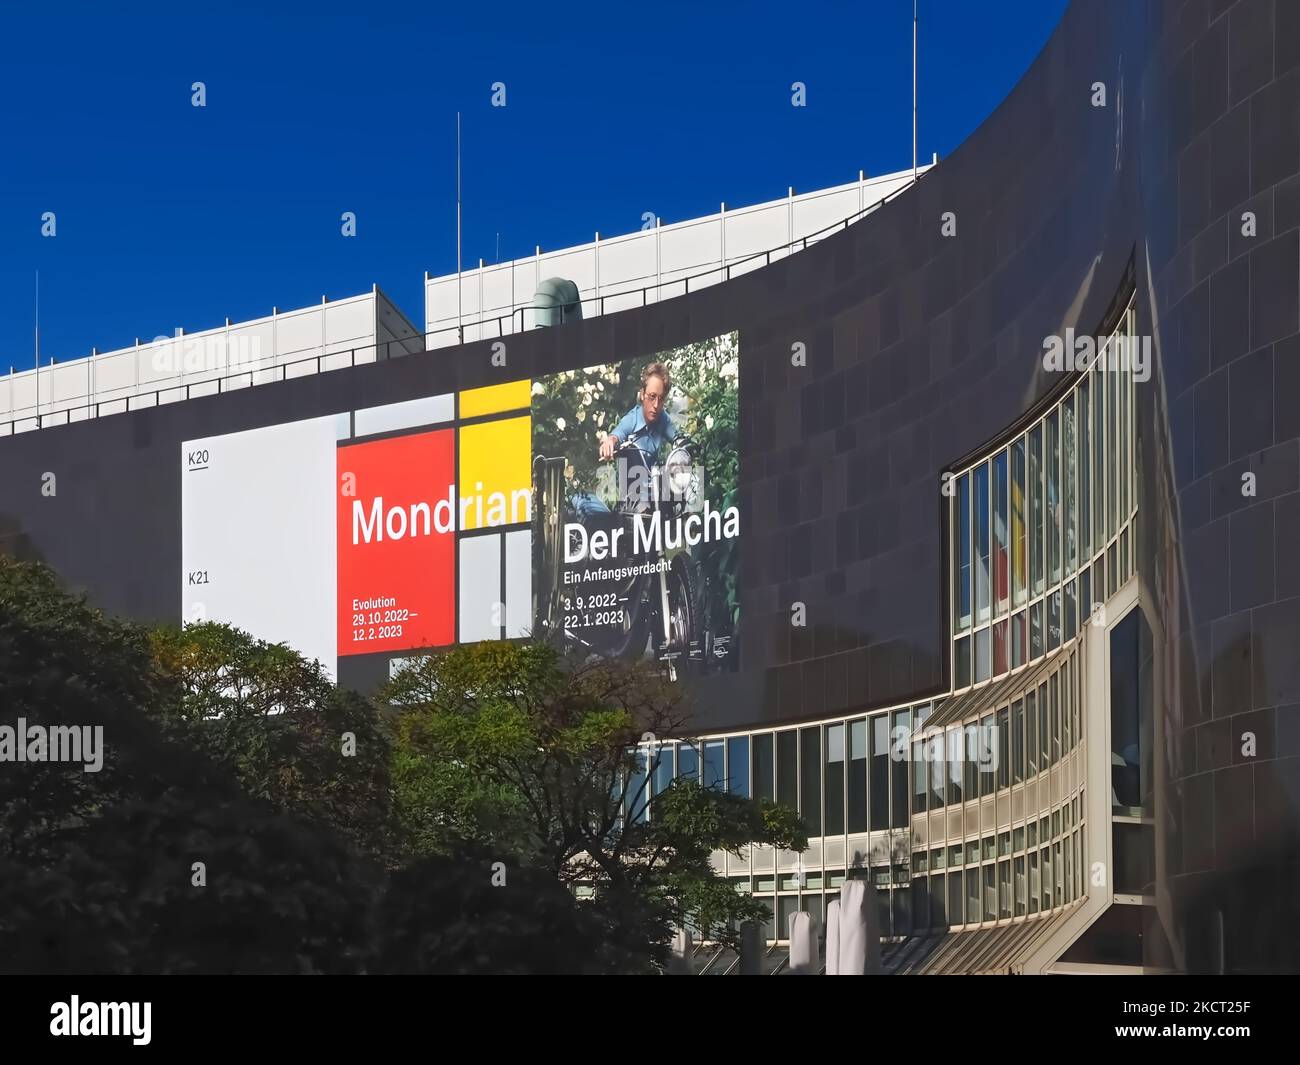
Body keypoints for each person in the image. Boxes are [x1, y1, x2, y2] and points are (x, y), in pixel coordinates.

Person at [598, 361, 676, 462]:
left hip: (657, 476)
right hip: (630, 476)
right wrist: (610, 441)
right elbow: (618, 433)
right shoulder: (632, 419)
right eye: (652, 396)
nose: (656, 405)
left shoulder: (663, 418)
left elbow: (678, 437)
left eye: (660, 399)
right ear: (643, 394)